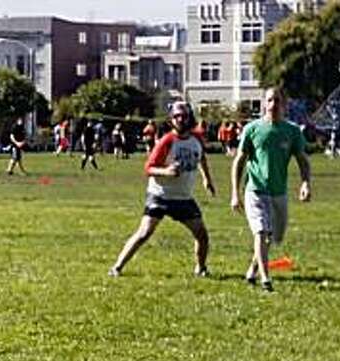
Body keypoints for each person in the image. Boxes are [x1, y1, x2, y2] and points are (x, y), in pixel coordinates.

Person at [108, 101, 215, 278]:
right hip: (160, 195)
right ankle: (117, 267)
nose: (180, 119)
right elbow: (148, 168)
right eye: (176, 116)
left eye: (184, 116)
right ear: (171, 119)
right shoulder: (167, 141)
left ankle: (201, 268)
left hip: (183, 198)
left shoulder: (196, 139)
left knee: (202, 235)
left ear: (189, 118)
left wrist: (207, 179)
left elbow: (202, 158)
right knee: (143, 233)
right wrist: (166, 171)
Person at [230, 87, 312, 292]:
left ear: (284, 105)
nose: (273, 104)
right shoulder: (252, 129)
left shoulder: (292, 131)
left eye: (277, 100)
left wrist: (305, 183)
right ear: (264, 103)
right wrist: (235, 193)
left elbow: (302, 160)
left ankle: (252, 269)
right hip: (255, 190)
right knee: (261, 231)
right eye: (269, 100)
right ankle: (266, 279)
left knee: (274, 237)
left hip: (279, 193)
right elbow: (239, 161)